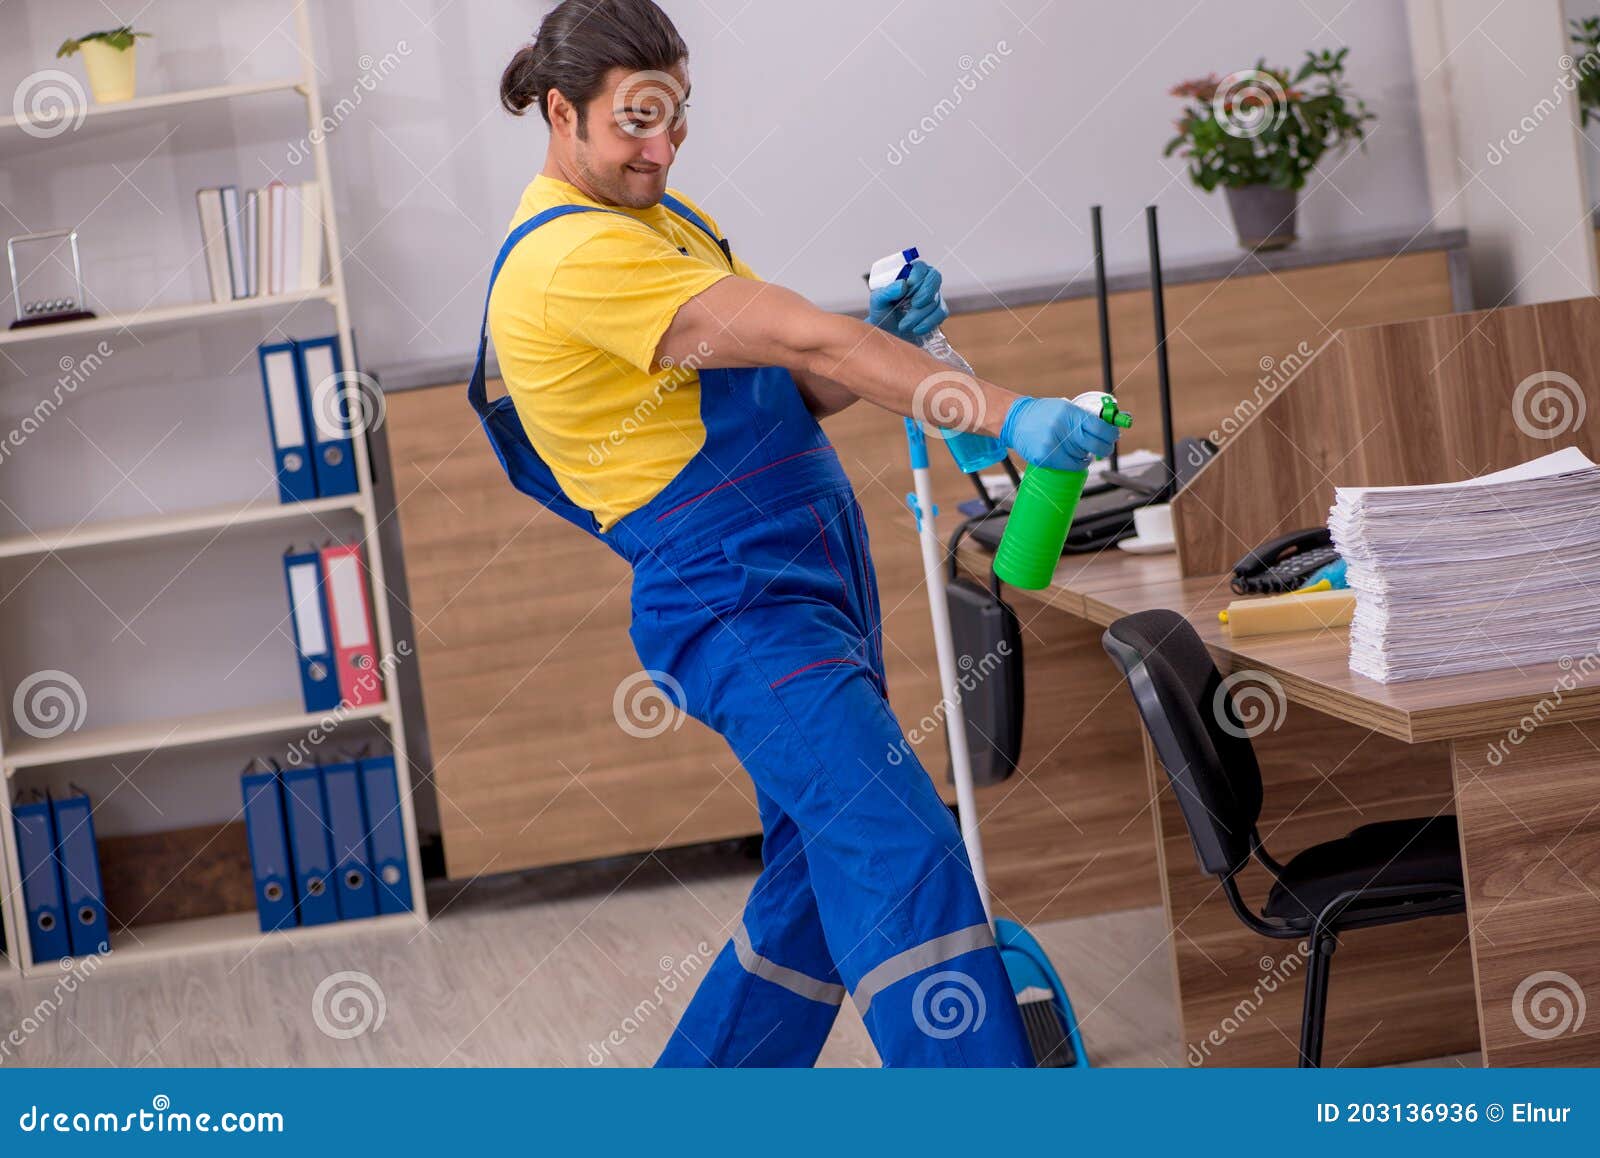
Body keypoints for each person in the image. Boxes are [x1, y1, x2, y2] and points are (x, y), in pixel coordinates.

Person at [474, 0, 1122, 1067]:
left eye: (676, 118)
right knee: (895, 843)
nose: (661, 147)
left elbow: (788, 384)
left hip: (804, 573)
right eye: (636, 120)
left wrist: (881, 348)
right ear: (560, 111)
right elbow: (796, 329)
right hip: (732, 602)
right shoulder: (572, 258)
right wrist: (1005, 412)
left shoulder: (658, 222)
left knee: (810, 890)